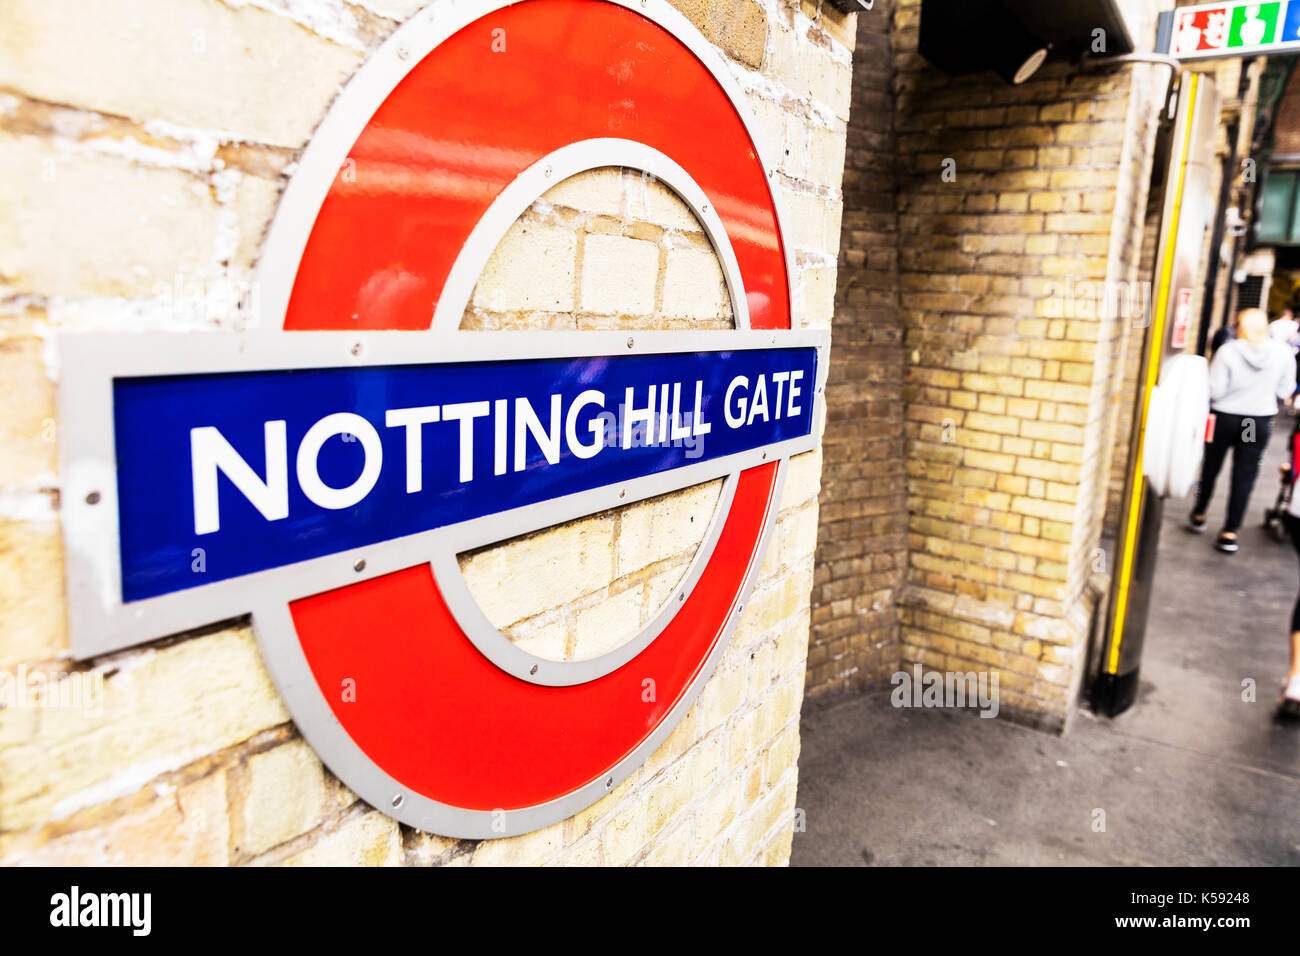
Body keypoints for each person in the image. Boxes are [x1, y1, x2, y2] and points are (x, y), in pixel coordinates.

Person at [1188, 308, 1297, 552]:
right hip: (1253, 421)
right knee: (1244, 474)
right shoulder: (1282, 353)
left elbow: (1215, 390)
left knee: (1211, 466)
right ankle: (1229, 531)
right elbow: (1284, 390)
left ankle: (1199, 514)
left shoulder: (1228, 351)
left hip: (1224, 417)